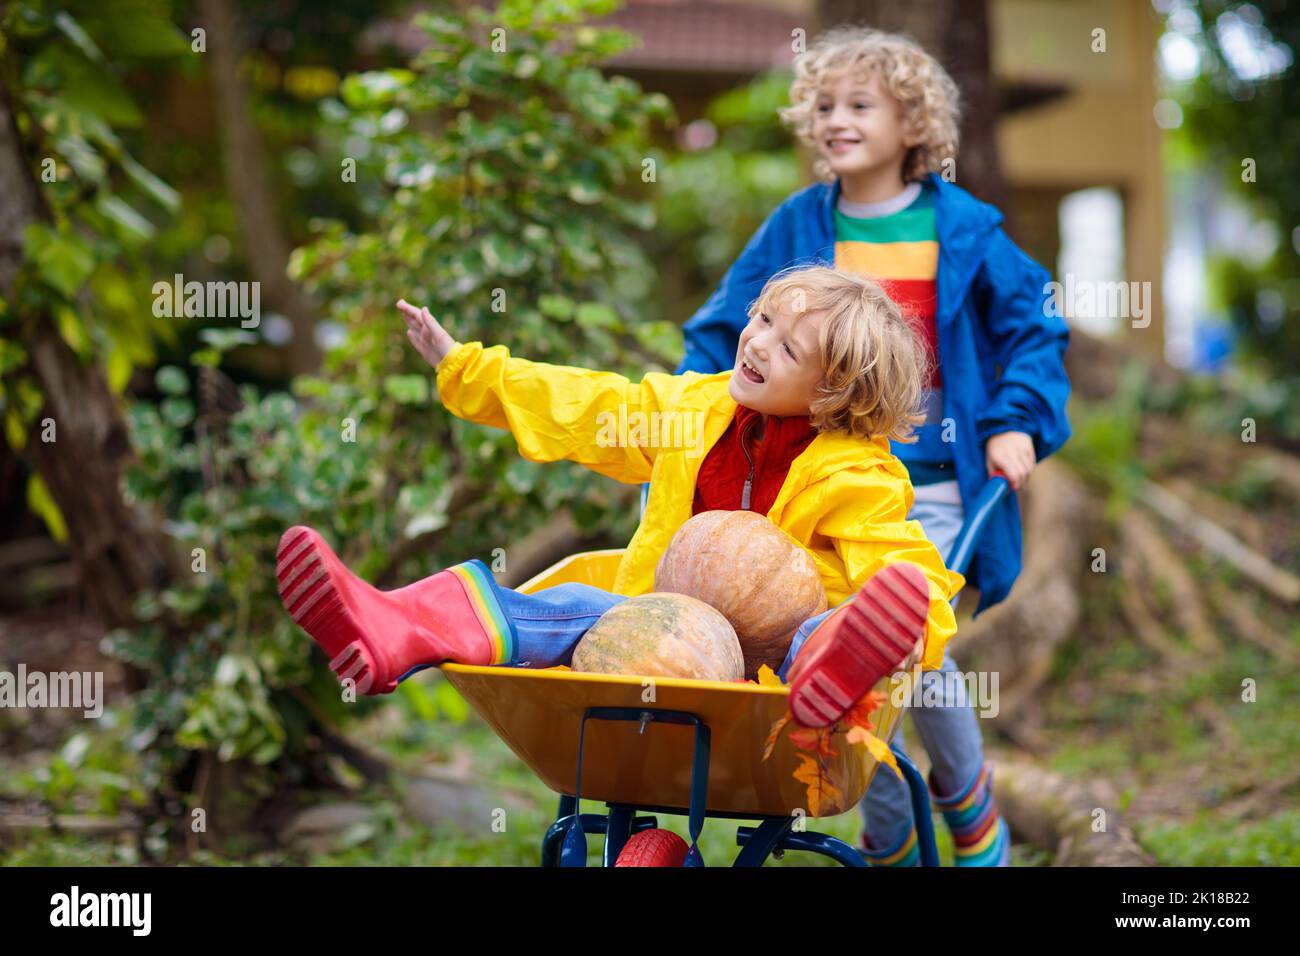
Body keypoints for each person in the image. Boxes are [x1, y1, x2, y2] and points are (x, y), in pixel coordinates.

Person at [671, 27, 1072, 865]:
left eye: (860, 105)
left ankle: (962, 801)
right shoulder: (797, 227)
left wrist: (1013, 421)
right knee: (846, 658)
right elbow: (723, 331)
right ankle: (890, 829)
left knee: (907, 647)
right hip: (825, 482)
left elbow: (1034, 324)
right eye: (822, 105)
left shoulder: (958, 225)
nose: (835, 119)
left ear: (912, 124)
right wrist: (687, 413)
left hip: (937, 485)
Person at [275, 266, 964, 733]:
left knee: (826, 631)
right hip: (659, 641)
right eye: (760, 320)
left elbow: (908, 571)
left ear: (832, 392)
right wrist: (471, 370)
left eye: (788, 349)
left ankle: (832, 674)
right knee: (578, 607)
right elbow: (589, 406)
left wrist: (914, 621)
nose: (755, 343)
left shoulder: (854, 475)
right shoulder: (693, 410)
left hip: (768, 684)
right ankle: (399, 627)